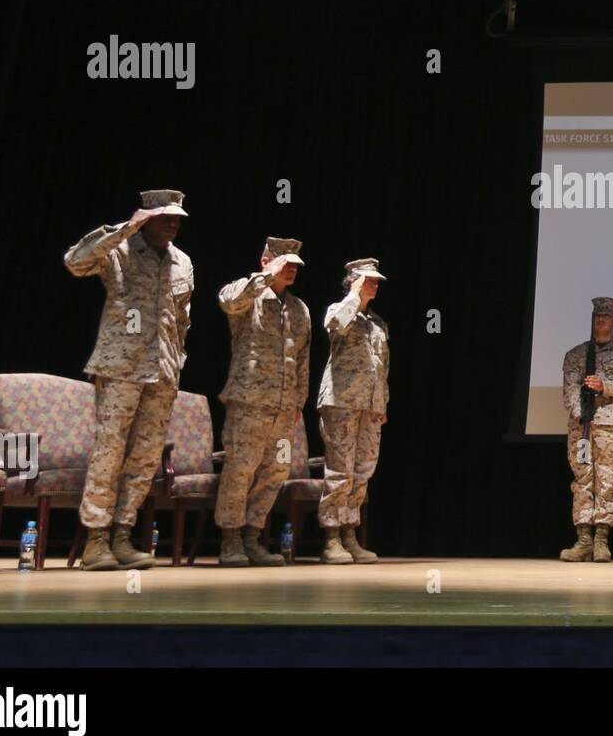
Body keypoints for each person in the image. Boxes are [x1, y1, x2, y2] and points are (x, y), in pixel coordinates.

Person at [64, 189, 193, 571]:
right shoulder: (119, 250)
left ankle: (122, 534)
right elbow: (75, 261)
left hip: (163, 371)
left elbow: (183, 317)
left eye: (177, 217)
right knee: (110, 452)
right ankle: (96, 540)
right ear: (145, 217)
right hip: (121, 367)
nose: (173, 222)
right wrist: (124, 229)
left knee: (145, 457)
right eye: (165, 216)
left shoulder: (183, 262)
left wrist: (178, 358)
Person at [215, 238, 311, 567]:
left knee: (275, 471)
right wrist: (266, 277)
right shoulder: (248, 296)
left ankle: (251, 537)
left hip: (285, 409)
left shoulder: (300, 309)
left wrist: (299, 401)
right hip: (250, 402)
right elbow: (228, 301)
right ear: (266, 261)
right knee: (240, 469)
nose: (293, 270)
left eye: (296, 265)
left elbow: (302, 360)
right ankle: (230, 540)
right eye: (286, 264)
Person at [316, 258, 390, 565]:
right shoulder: (339, 310)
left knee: (362, 472)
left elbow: (382, 368)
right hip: (341, 402)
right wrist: (354, 296)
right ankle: (332, 538)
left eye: (375, 281)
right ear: (352, 282)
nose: (374, 284)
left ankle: (350, 534)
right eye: (367, 280)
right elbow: (335, 326)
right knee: (340, 470)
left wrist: (382, 404)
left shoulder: (378, 323)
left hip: (370, 407)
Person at [559, 296, 613, 562]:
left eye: (606, 316)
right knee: (582, 480)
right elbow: (570, 387)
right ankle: (583, 539)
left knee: (606, 481)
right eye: (597, 317)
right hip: (582, 426)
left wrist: (602, 385)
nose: (601, 320)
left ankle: (602, 539)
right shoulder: (576, 354)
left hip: (609, 425)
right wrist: (580, 412)